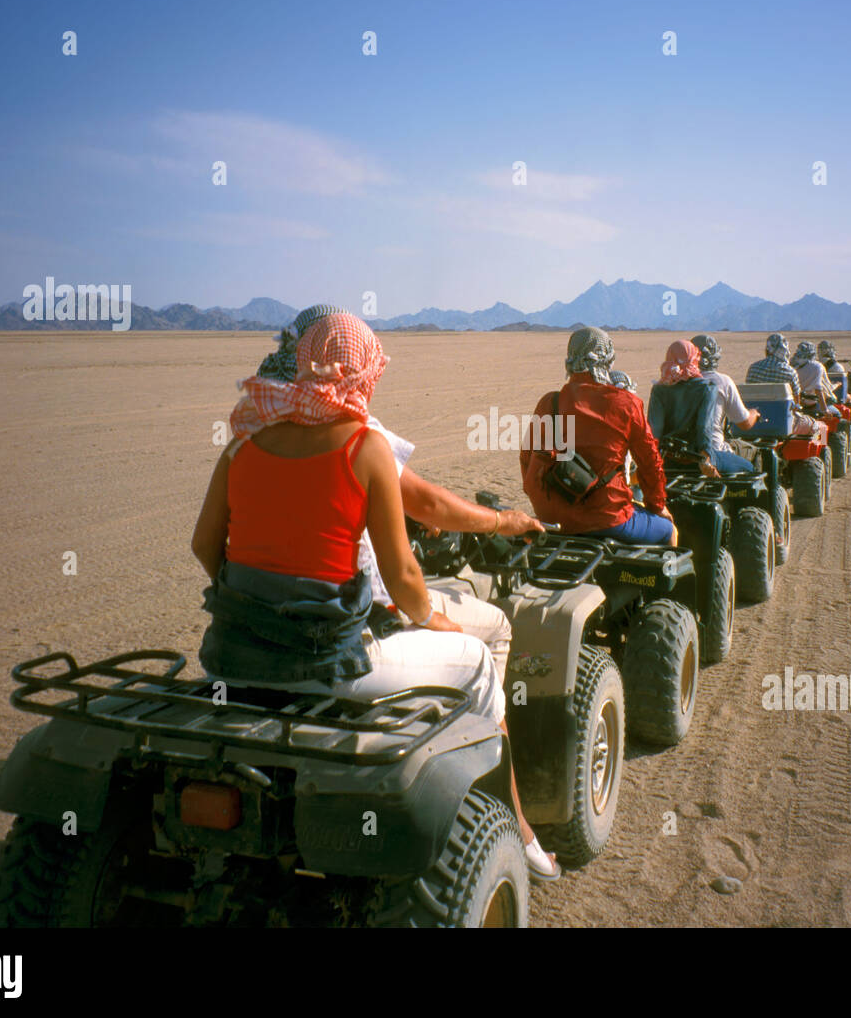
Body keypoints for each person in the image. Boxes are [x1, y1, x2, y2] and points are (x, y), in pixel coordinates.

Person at [192, 311, 559, 881]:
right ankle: (505, 822)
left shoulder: (243, 443)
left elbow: (203, 546)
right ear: (361, 371)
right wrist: (432, 619)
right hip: (334, 663)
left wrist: (259, 603)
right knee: (480, 661)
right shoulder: (366, 449)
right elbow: (405, 577)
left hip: (236, 659)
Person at [257, 305, 545, 684]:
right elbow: (426, 511)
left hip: (264, 628)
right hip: (352, 629)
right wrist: (502, 522)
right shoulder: (357, 434)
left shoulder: (254, 434)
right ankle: (496, 742)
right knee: (495, 629)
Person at [520, 327, 675, 545]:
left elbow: (526, 459)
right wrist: (657, 506)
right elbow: (650, 462)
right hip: (608, 516)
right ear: (607, 360)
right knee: (668, 530)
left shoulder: (549, 402)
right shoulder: (626, 404)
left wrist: (546, 503)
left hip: (551, 516)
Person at [649, 340, 754, 474]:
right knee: (750, 468)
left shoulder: (658, 389)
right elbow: (704, 427)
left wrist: (651, 463)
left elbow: (654, 430)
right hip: (697, 459)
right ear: (694, 359)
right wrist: (705, 461)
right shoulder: (707, 388)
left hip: (669, 460)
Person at [690, 333, 761, 455]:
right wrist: (754, 413)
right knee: (754, 452)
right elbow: (745, 424)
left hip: (682, 451)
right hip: (713, 451)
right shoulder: (722, 381)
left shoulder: (674, 381)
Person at [745, 333, 820, 437]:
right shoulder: (790, 372)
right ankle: (824, 451)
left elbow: (748, 393)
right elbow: (796, 404)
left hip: (756, 422)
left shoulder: (753, 368)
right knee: (821, 426)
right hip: (782, 424)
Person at [791, 340, 840, 417]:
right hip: (811, 404)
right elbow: (818, 389)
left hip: (795, 404)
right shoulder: (817, 366)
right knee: (837, 414)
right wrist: (825, 410)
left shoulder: (791, 366)